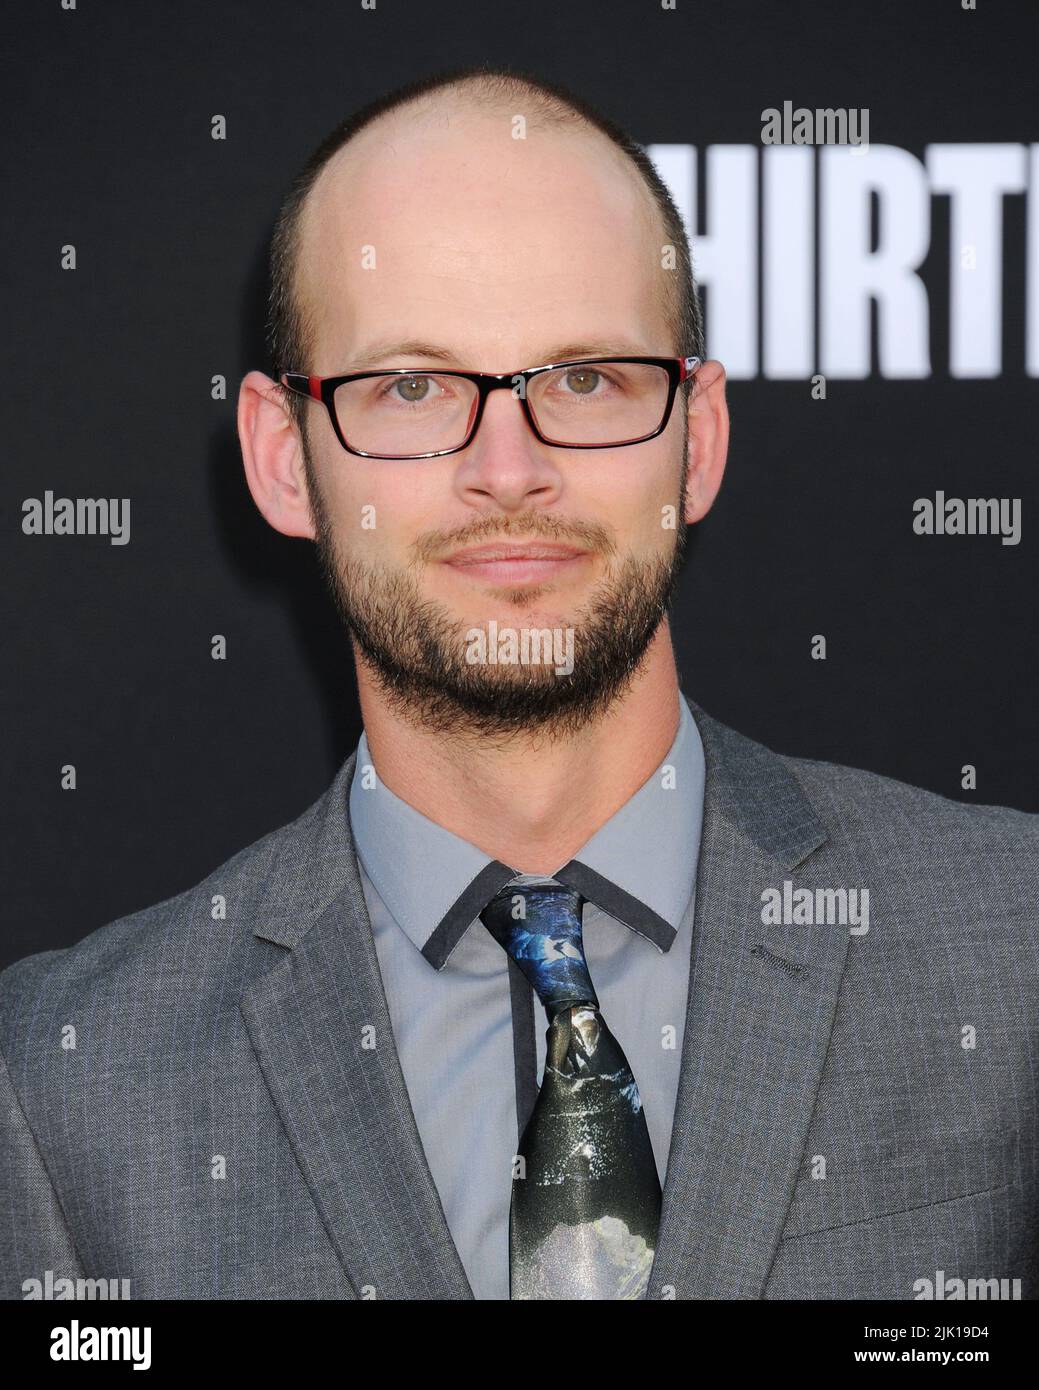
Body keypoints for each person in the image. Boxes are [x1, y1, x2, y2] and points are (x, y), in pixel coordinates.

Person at [2, 64, 1035, 1302]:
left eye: (585, 380)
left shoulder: (1011, 947)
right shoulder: (68, 1081)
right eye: (412, 386)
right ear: (284, 460)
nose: (510, 466)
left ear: (696, 441)